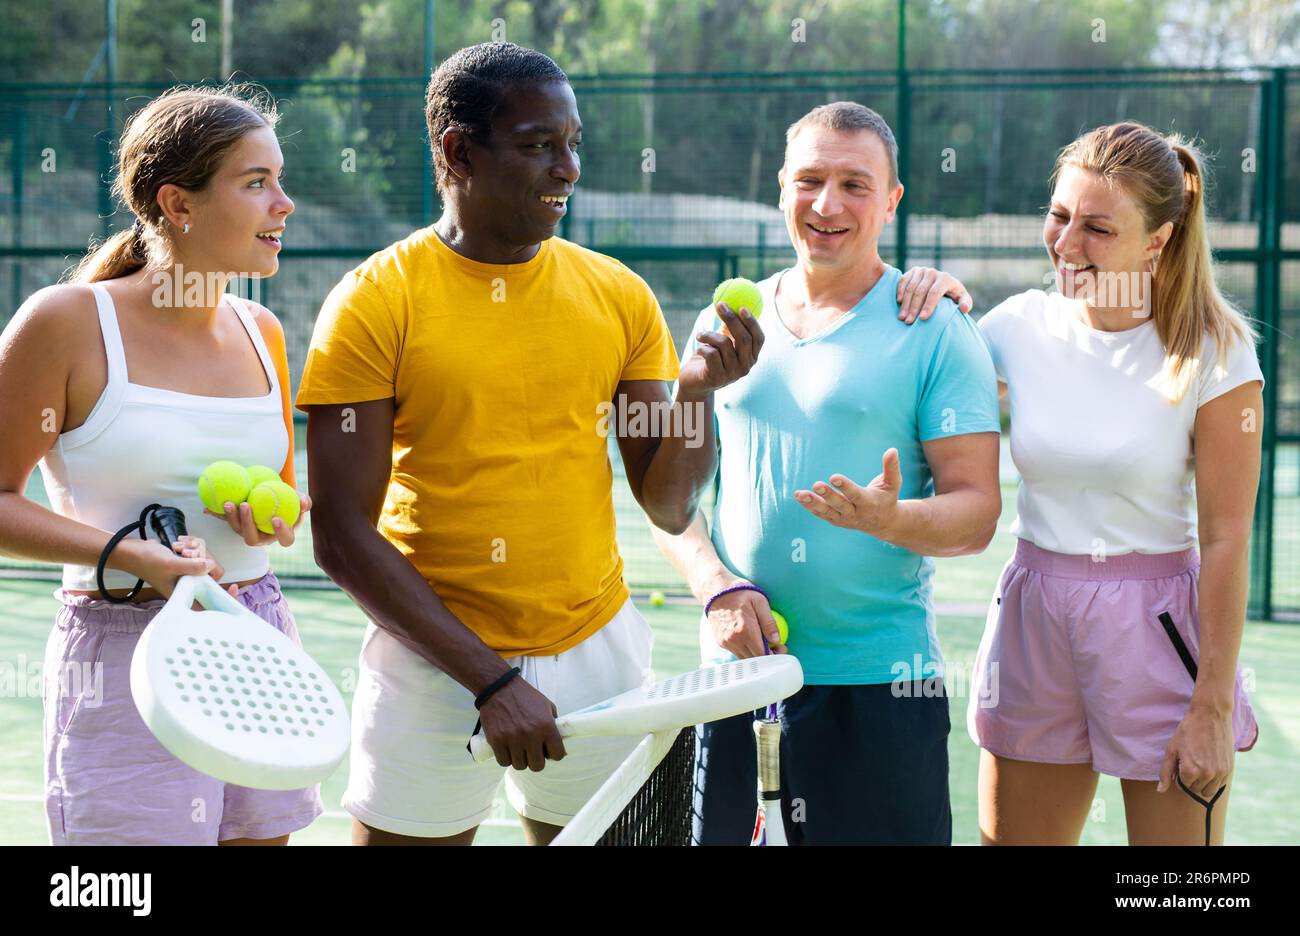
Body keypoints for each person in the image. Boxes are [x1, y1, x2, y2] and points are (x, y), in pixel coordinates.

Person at [295, 42, 761, 846]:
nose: (568, 169)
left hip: (597, 653)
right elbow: (340, 535)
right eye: (539, 144)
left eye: (574, 143)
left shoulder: (617, 294)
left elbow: (666, 498)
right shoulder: (373, 301)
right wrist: (490, 680)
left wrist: (697, 395)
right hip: (432, 663)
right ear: (458, 151)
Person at [896, 121, 1262, 845]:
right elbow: (930, 391)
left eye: (1097, 227)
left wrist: (1212, 707)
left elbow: (1225, 540)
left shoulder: (1216, 348)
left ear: (1157, 239)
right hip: (1034, 616)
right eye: (1059, 216)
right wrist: (939, 303)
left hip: (1159, 631)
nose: (1065, 245)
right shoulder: (1013, 327)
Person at [651, 101, 1002, 845]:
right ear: (781, 188)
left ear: (892, 200)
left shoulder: (936, 328)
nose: (828, 204)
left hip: (879, 690)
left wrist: (892, 520)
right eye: (810, 180)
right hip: (735, 683)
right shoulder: (724, 326)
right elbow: (671, 506)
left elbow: (977, 513)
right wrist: (716, 588)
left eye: (855, 184)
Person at [0, 85, 317, 845]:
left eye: (279, 179)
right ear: (180, 203)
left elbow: (282, 501)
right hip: (122, 651)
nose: (286, 204)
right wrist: (129, 556)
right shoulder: (66, 322)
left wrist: (273, 513)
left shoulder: (262, 330)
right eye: (256, 183)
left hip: (254, 631)